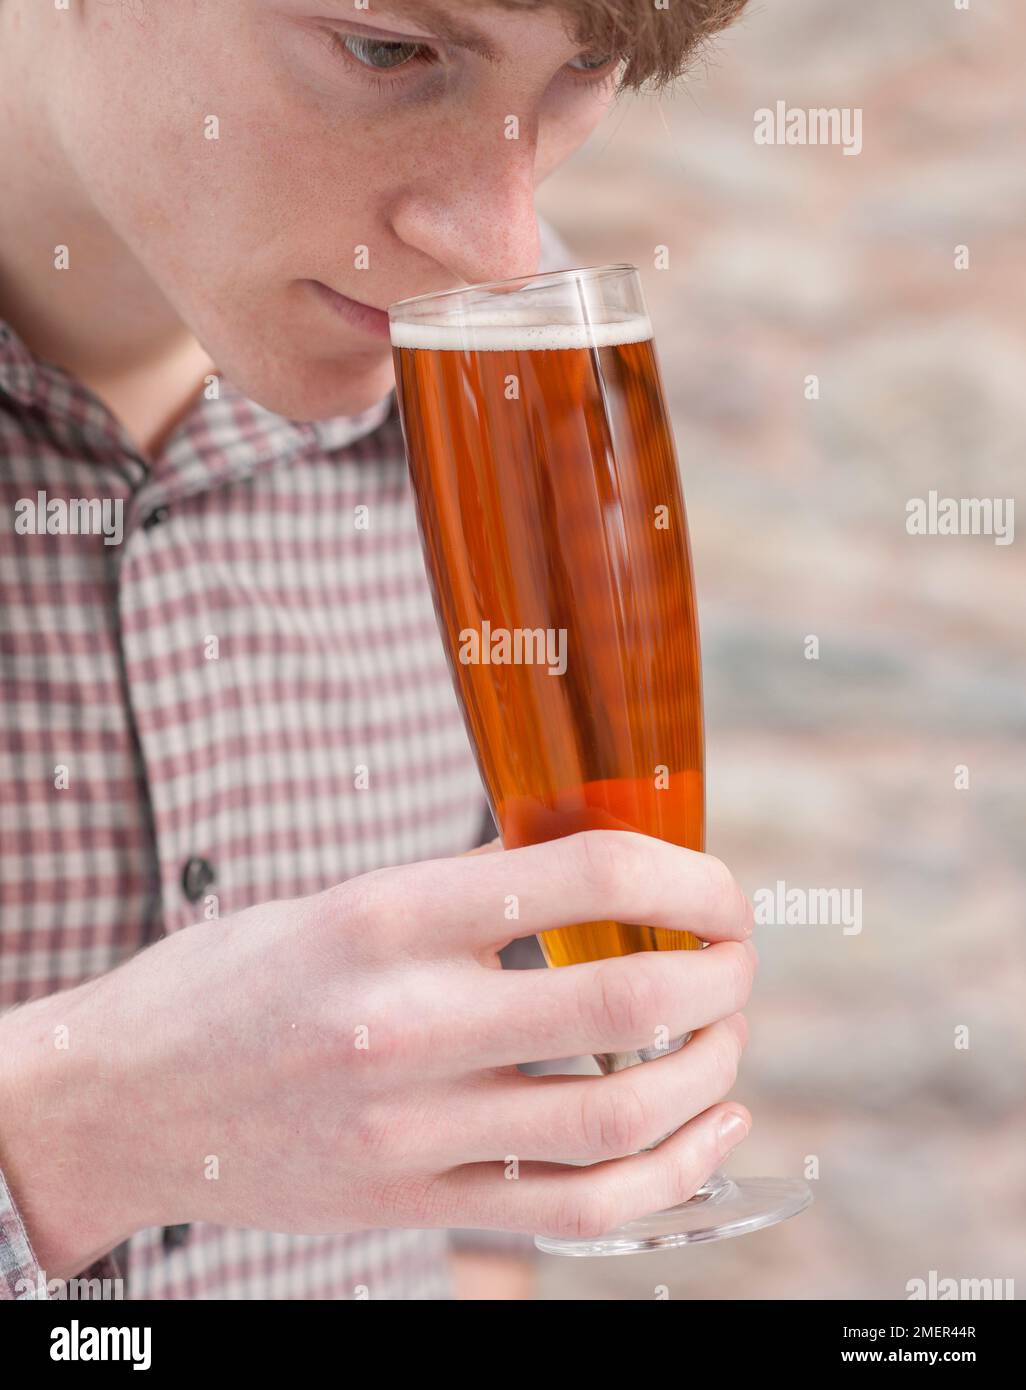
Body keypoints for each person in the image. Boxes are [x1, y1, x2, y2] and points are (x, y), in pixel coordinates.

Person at [0, 0, 753, 1301]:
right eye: (388, 50)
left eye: (584, 71)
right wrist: (71, 1132)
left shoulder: (522, 366)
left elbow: (487, 1163)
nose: (495, 242)